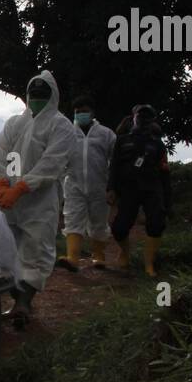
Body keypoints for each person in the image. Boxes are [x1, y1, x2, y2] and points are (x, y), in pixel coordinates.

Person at [0, 70, 76, 326]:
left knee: (37, 251)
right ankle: (16, 298)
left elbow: (52, 163)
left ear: (52, 96)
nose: (36, 98)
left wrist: (22, 187)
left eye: (42, 94)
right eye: (33, 94)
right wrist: (3, 183)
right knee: (8, 252)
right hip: (9, 201)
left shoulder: (61, 125)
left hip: (39, 201)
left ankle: (24, 303)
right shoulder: (14, 123)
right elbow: (1, 153)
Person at [108, 104, 171, 277]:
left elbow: (165, 172)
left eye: (148, 118)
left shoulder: (158, 144)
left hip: (152, 188)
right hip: (129, 188)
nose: (143, 120)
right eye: (140, 116)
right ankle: (125, 253)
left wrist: (167, 199)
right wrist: (111, 188)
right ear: (133, 117)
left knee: (157, 223)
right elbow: (114, 166)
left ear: (152, 121)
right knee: (119, 228)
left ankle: (149, 264)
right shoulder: (122, 141)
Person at [57, 95, 117, 270]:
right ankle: (72, 258)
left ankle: (98, 256)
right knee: (73, 219)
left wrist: (113, 187)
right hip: (74, 184)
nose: (81, 114)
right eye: (77, 112)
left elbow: (115, 160)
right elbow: (59, 158)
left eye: (84, 111)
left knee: (99, 221)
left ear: (92, 113)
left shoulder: (106, 134)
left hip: (100, 184)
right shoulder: (68, 133)